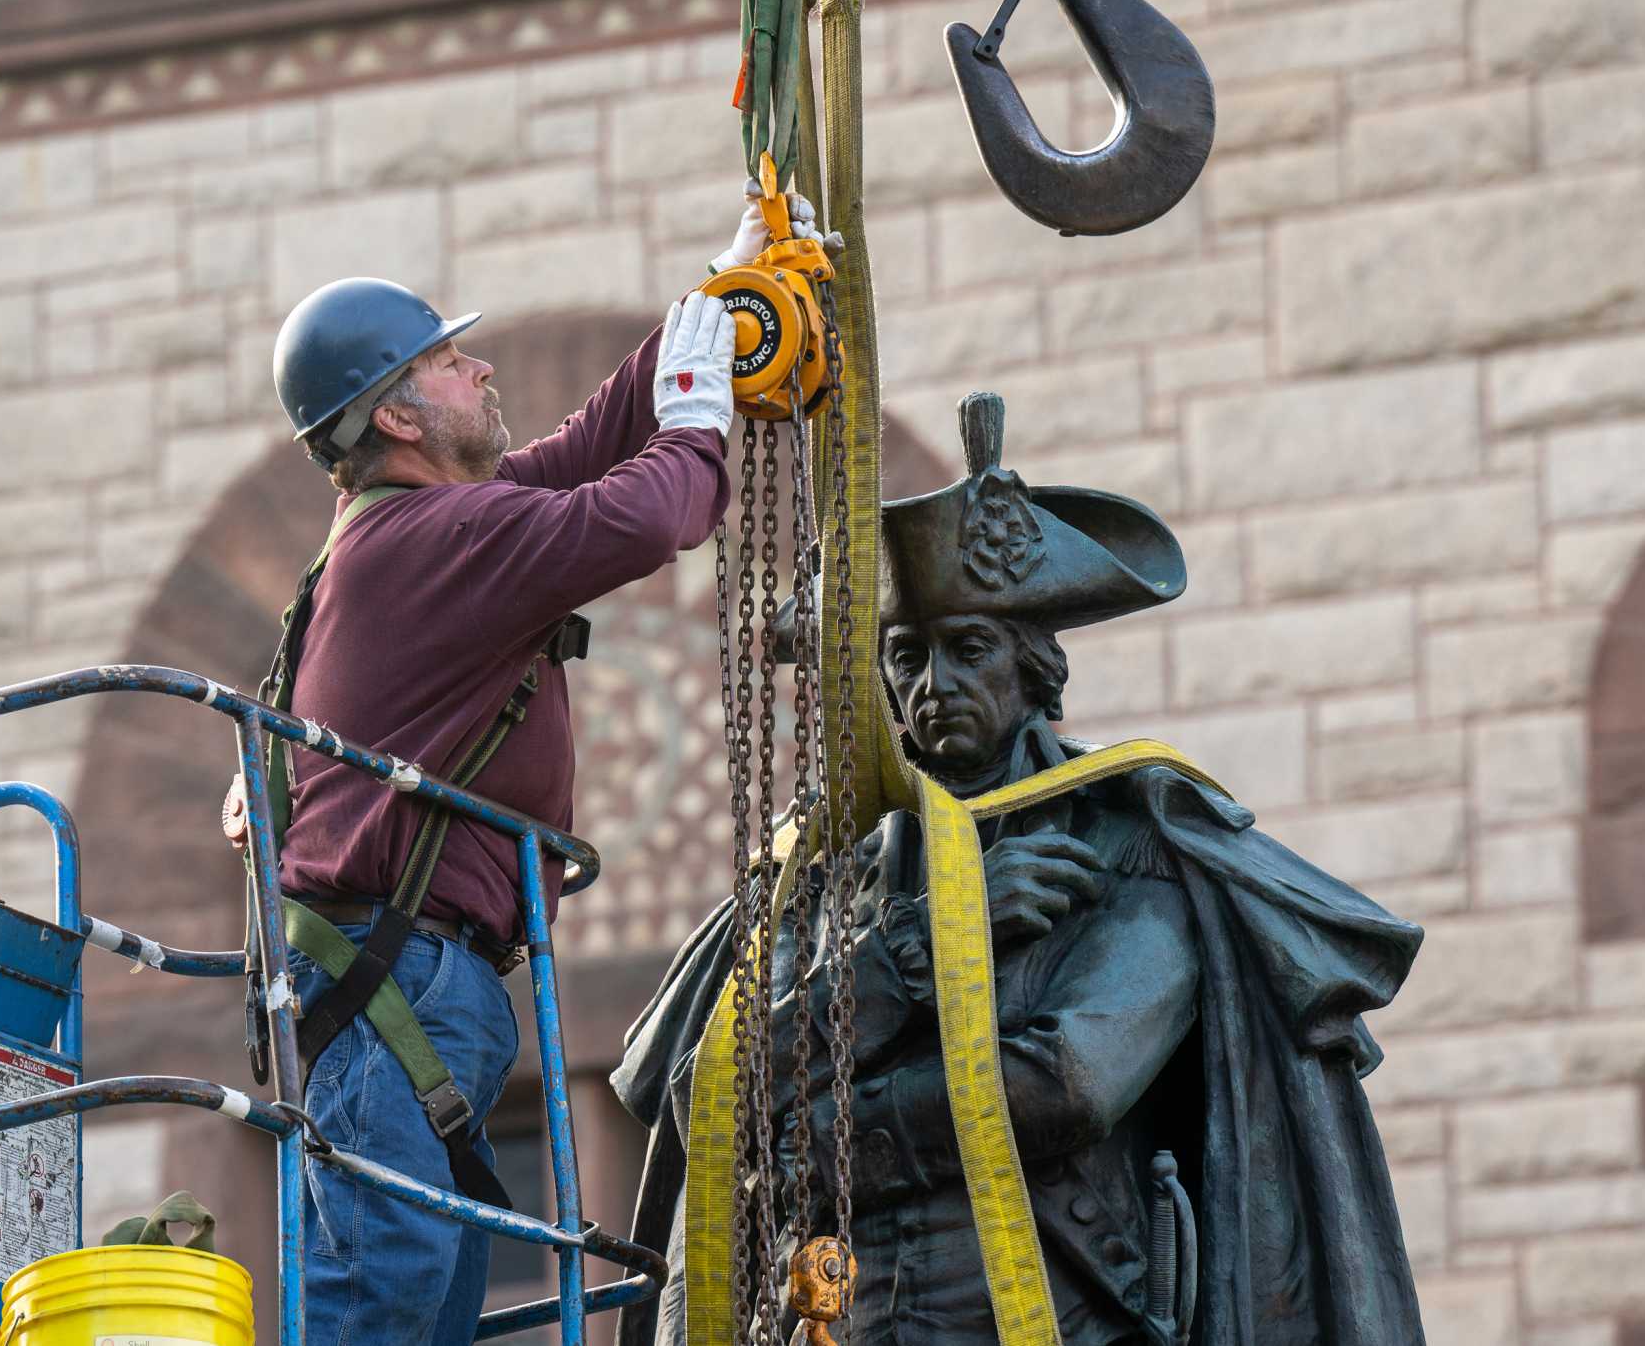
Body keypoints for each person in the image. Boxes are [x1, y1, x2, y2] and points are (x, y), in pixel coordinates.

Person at [615, 393, 1428, 1346]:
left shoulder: (1136, 836)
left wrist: (818, 1140)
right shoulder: (821, 871)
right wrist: (919, 949)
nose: (934, 687)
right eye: (907, 658)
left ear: (1035, 665)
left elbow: (1067, 1081)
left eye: (970, 650)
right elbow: (713, 1087)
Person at [221, 192, 814, 1346]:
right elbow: (646, 516)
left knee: (424, 1292)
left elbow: (591, 442)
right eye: (449, 360)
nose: (481, 366)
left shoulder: (431, 527)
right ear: (396, 414)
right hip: (394, 971)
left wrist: (716, 293)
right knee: (386, 1284)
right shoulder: (430, 542)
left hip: (414, 978)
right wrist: (697, 412)